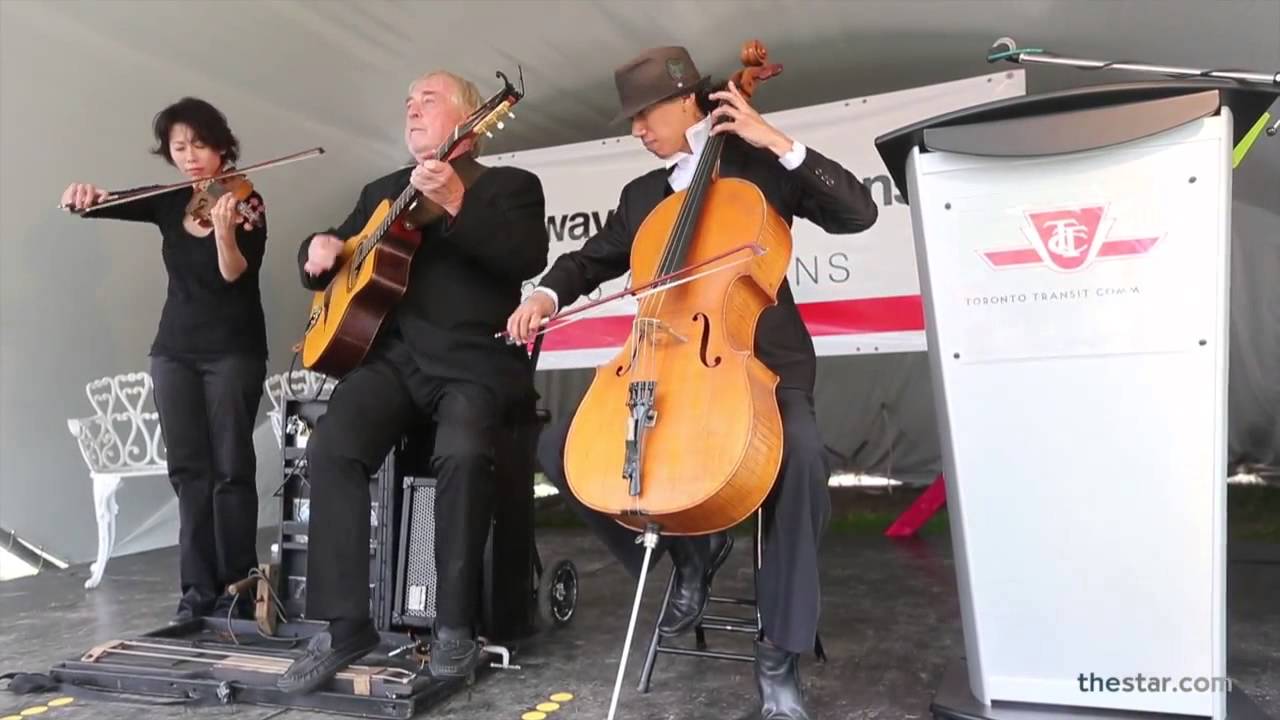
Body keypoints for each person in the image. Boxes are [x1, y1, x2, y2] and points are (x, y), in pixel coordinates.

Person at [506, 46, 878, 719]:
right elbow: (590, 258)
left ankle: (780, 655)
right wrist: (548, 296)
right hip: (665, 366)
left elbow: (858, 212)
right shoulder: (644, 197)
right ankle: (690, 555)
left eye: (644, 115)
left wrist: (777, 141)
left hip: (759, 366)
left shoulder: (760, 164)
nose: (636, 131)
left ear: (687, 102)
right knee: (563, 447)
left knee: (796, 464)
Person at [277, 70, 548, 694]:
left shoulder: (508, 185)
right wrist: (313, 254)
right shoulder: (381, 190)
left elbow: (525, 256)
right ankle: (345, 623)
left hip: (473, 361)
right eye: (408, 102)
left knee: (461, 452)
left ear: (470, 120)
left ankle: (455, 625)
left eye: (429, 100)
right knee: (332, 447)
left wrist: (457, 202)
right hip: (393, 361)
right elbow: (334, 258)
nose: (413, 109)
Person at [60, 97, 270, 624]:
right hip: (174, 351)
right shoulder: (168, 199)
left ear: (222, 146)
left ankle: (238, 590)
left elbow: (233, 275)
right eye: (179, 147)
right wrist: (82, 196)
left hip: (233, 351)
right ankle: (195, 594)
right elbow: (105, 203)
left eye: (200, 145)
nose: (190, 157)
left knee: (231, 470)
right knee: (188, 472)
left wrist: (224, 233)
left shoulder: (247, 200)